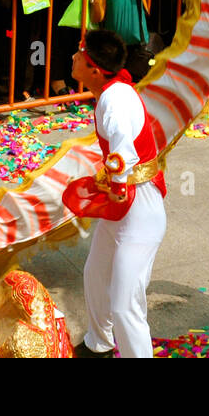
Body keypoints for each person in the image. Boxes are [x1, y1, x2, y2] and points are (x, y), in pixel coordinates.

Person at [62, 29, 167, 358]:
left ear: (94, 68)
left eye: (80, 53)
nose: (74, 57)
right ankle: (99, 343)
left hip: (139, 208)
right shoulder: (111, 90)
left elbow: (123, 150)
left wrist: (116, 185)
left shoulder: (114, 100)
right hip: (124, 202)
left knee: (125, 304)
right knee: (95, 273)